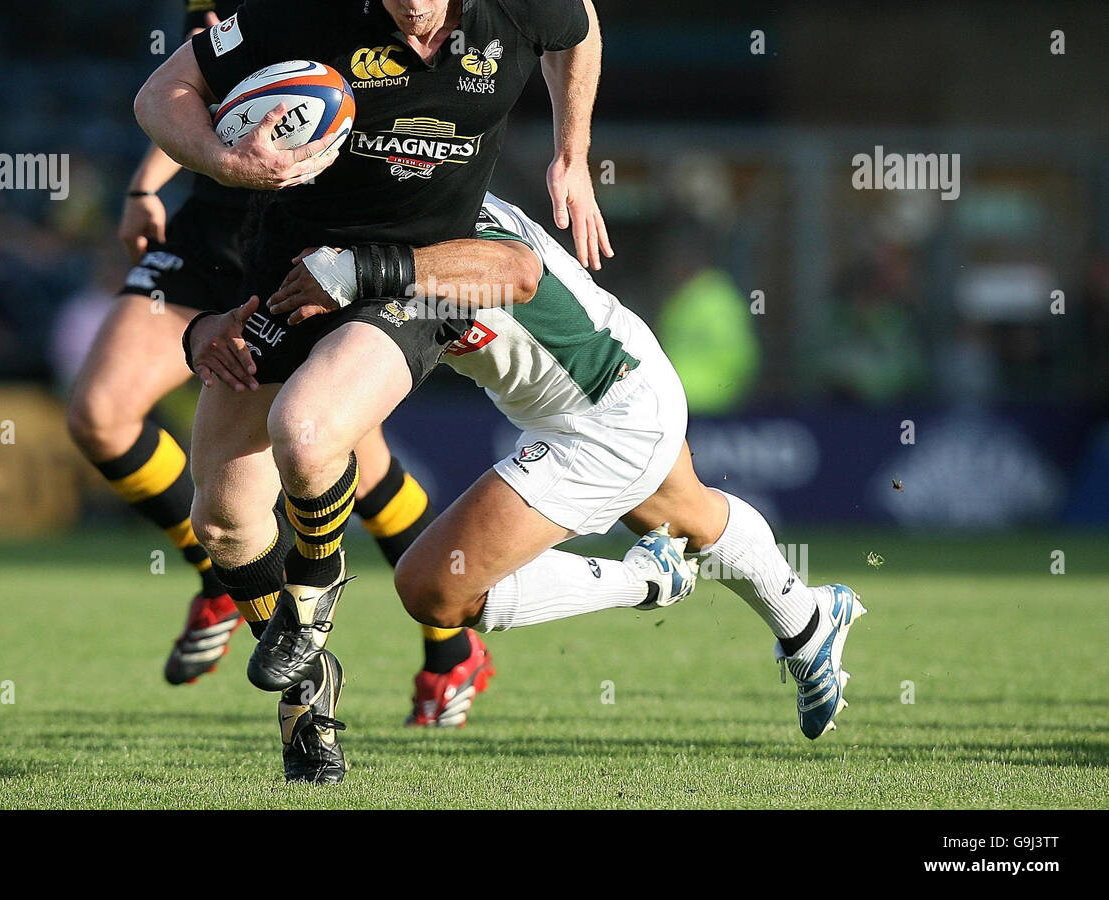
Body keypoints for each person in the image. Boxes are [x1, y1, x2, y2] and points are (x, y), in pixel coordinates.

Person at [135, 0, 610, 780]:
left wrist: (572, 150)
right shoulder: (311, 0)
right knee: (225, 519)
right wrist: (231, 163)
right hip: (291, 276)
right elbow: (161, 96)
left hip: (419, 276)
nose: (413, 0)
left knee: (307, 435)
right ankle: (316, 689)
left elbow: (581, 24)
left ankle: (307, 623)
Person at [66, 0, 457, 708]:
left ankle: (447, 644)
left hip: (300, 234)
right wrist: (145, 185)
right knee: (99, 412)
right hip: (210, 220)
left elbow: (350, 102)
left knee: (347, 454)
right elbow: (196, 90)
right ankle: (222, 576)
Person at [227, 193, 866, 741]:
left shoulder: (439, 223)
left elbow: (515, 271)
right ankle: (808, 621)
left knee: (433, 587)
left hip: (605, 418)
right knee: (689, 512)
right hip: (622, 376)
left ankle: (646, 581)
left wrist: (358, 276)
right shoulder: (396, 205)